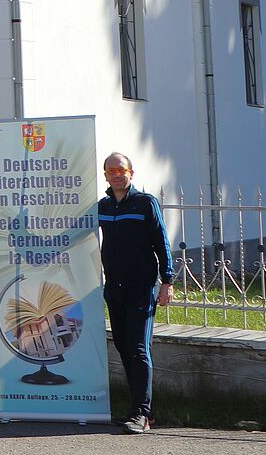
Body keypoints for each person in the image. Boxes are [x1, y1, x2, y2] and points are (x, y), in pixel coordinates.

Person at [99, 152, 174, 433]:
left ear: (131, 172)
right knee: (123, 346)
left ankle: (142, 414)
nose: (116, 175)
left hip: (141, 288)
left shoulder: (145, 202)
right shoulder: (103, 206)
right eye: (111, 171)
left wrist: (167, 282)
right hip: (114, 289)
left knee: (139, 349)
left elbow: (161, 242)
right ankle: (138, 410)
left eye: (121, 170)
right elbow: (75, 231)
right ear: (105, 175)